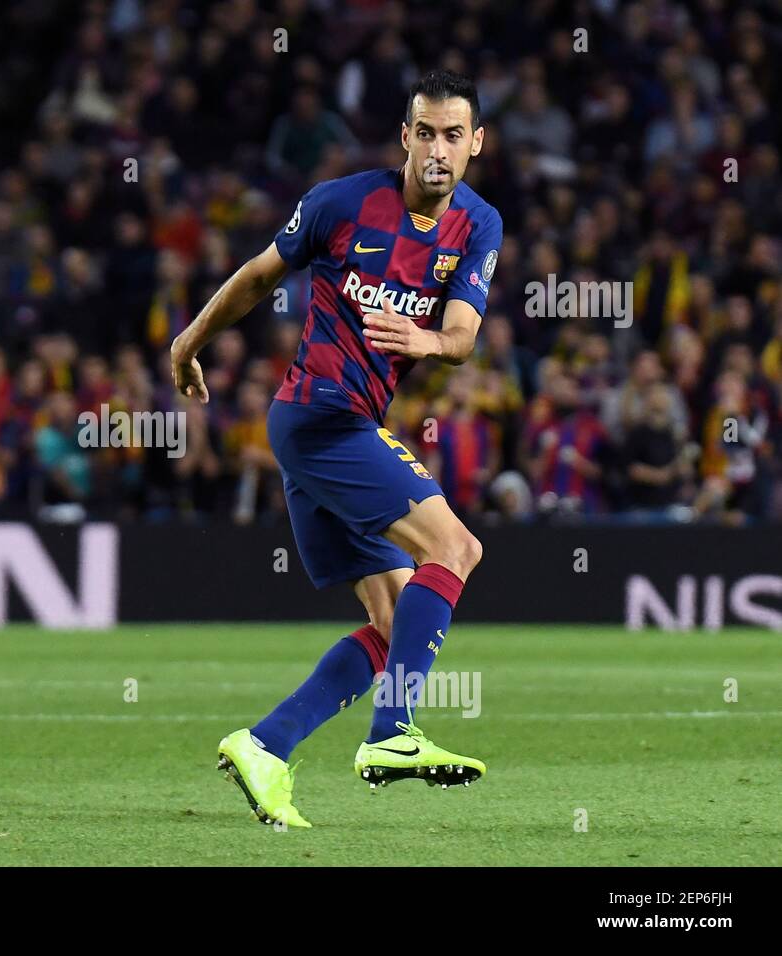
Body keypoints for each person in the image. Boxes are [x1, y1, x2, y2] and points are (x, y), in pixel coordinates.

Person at [169, 70, 501, 827]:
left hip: (331, 430)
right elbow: (258, 276)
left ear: (476, 143)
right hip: (323, 418)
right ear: (405, 138)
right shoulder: (341, 203)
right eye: (426, 133)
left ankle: (267, 745)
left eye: (455, 135)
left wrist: (423, 338)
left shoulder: (478, 226)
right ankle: (393, 733)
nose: (439, 149)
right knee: (455, 549)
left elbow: (460, 337)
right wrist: (189, 340)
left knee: (393, 622)